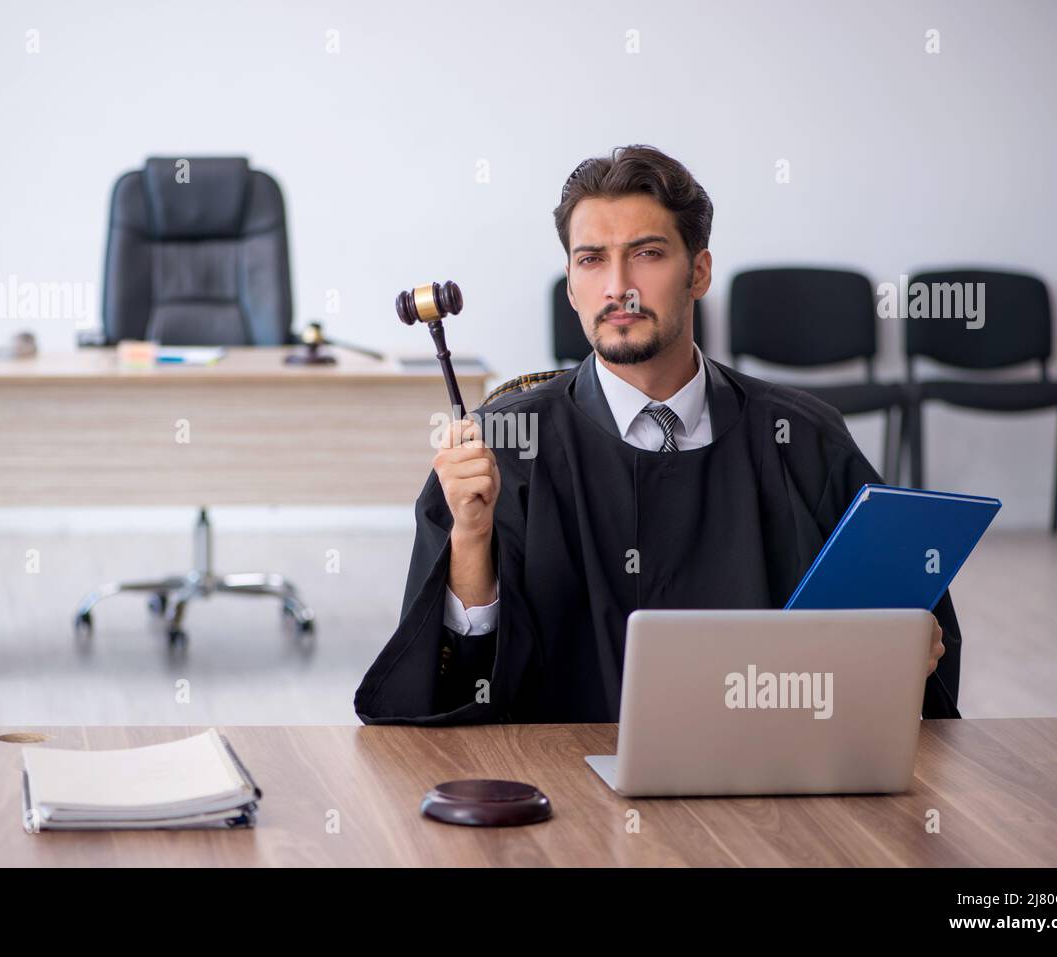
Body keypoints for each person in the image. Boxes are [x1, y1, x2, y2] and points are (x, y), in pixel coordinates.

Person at [355, 144, 959, 725]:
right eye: (592, 260)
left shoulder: (804, 439)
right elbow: (452, 693)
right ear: (571, 285)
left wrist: (906, 648)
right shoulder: (503, 447)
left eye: (646, 254)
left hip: (770, 791)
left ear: (698, 271)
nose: (619, 286)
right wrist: (470, 538)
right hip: (564, 795)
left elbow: (909, 644)